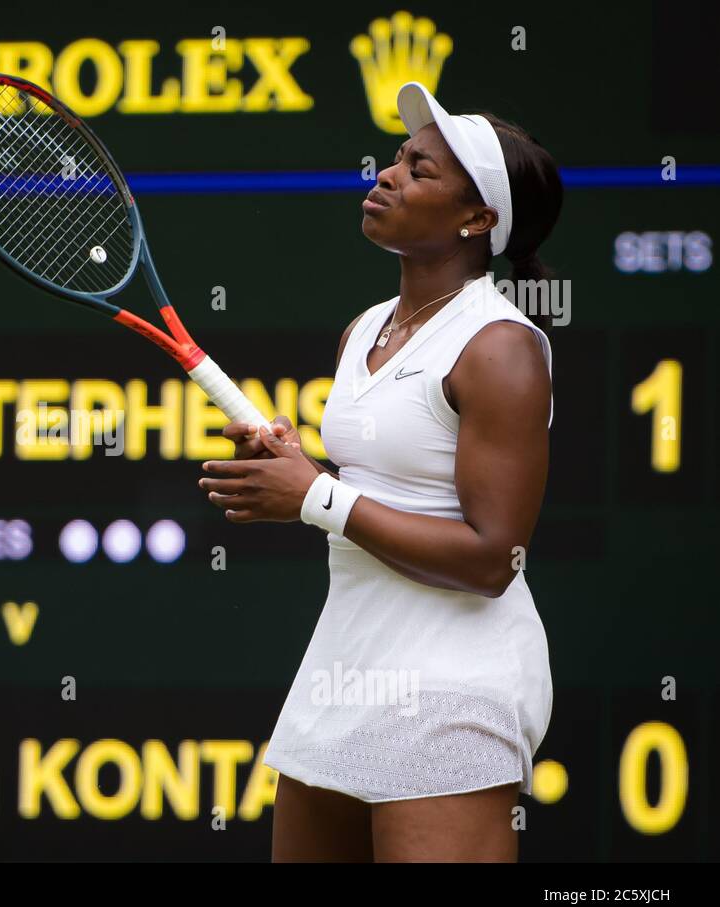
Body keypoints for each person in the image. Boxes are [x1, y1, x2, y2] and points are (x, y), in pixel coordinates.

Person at [198, 81, 563, 861]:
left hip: (452, 688)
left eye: (420, 170)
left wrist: (319, 496)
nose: (389, 173)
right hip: (342, 671)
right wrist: (303, 471)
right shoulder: (365, 329)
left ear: (479, 220)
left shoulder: (501, 348)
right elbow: (386, 488)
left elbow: (494, 558)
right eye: (397, 158)